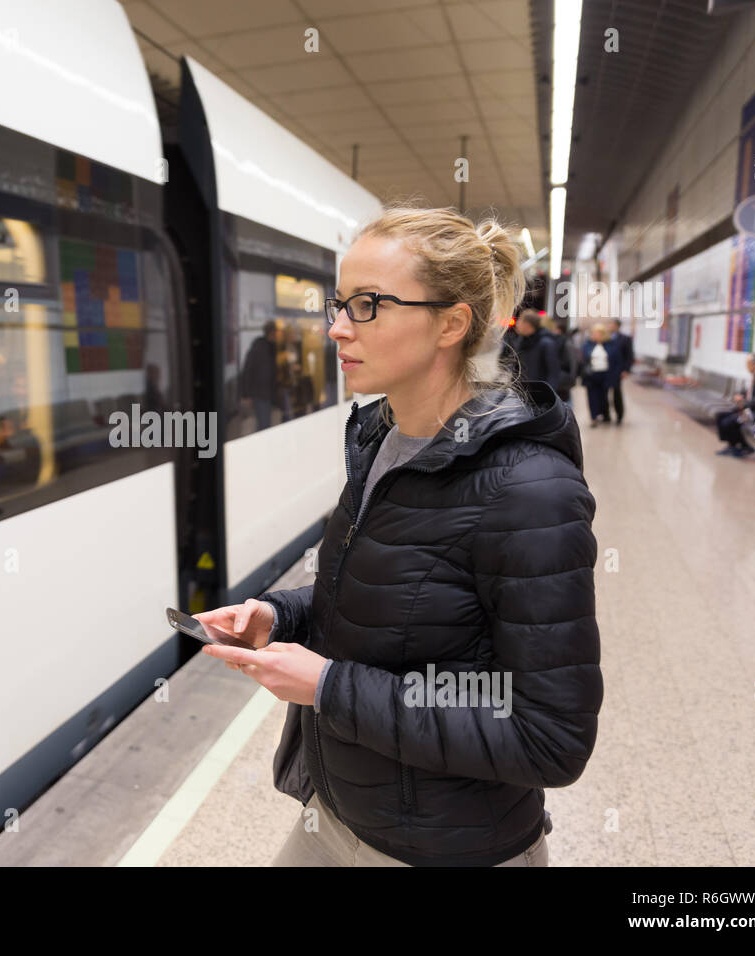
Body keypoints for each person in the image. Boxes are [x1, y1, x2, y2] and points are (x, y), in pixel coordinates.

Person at [195, 205, 601, 867]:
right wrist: (278, 615)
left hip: (446, 847)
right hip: (334, 814)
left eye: (367, 305)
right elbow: (373, 591)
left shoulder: (530, 493)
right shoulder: (382, 439)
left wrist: (329, 687)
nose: (334, 328)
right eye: (339, 303)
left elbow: (551, 737)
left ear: (451, 323)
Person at [502, 309, 560, 390]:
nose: (517, 324)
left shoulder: (546, 343)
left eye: (519, 320)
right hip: (522, 394)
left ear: (527, 324)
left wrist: (549, 395)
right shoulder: (521, 342)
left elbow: (553, 374)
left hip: (539, 395)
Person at [240, 320, 279, 430]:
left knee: (266, 423)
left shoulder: (272, 348)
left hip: (269, 393)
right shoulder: (258, 348)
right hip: (260, 394)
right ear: (270, 333)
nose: (276, 335)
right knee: (264, 424)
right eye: (275, 332)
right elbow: (247, 371)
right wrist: (246, 395)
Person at [581, 323, 614, 425]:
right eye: (594, 333)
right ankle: (593, 417)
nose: (595, 335)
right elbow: (583, 358)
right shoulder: (588, 345)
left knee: (603, 397)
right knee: (592, 397)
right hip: (591, 375)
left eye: (597, 333)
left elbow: (615, 360)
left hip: (604, 374)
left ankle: (605, 415)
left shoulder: (610, 345)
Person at [606, 318, 634, 424]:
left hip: (617, 370)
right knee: (604, 393)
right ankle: (606, 415)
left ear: (617, 326)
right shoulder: (606, 337)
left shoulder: (625, 339)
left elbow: (629, 356)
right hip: (606, 370)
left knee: (616, 392)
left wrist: (626, 370)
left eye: (612, 324)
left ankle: (619, 415)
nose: (610, 326)